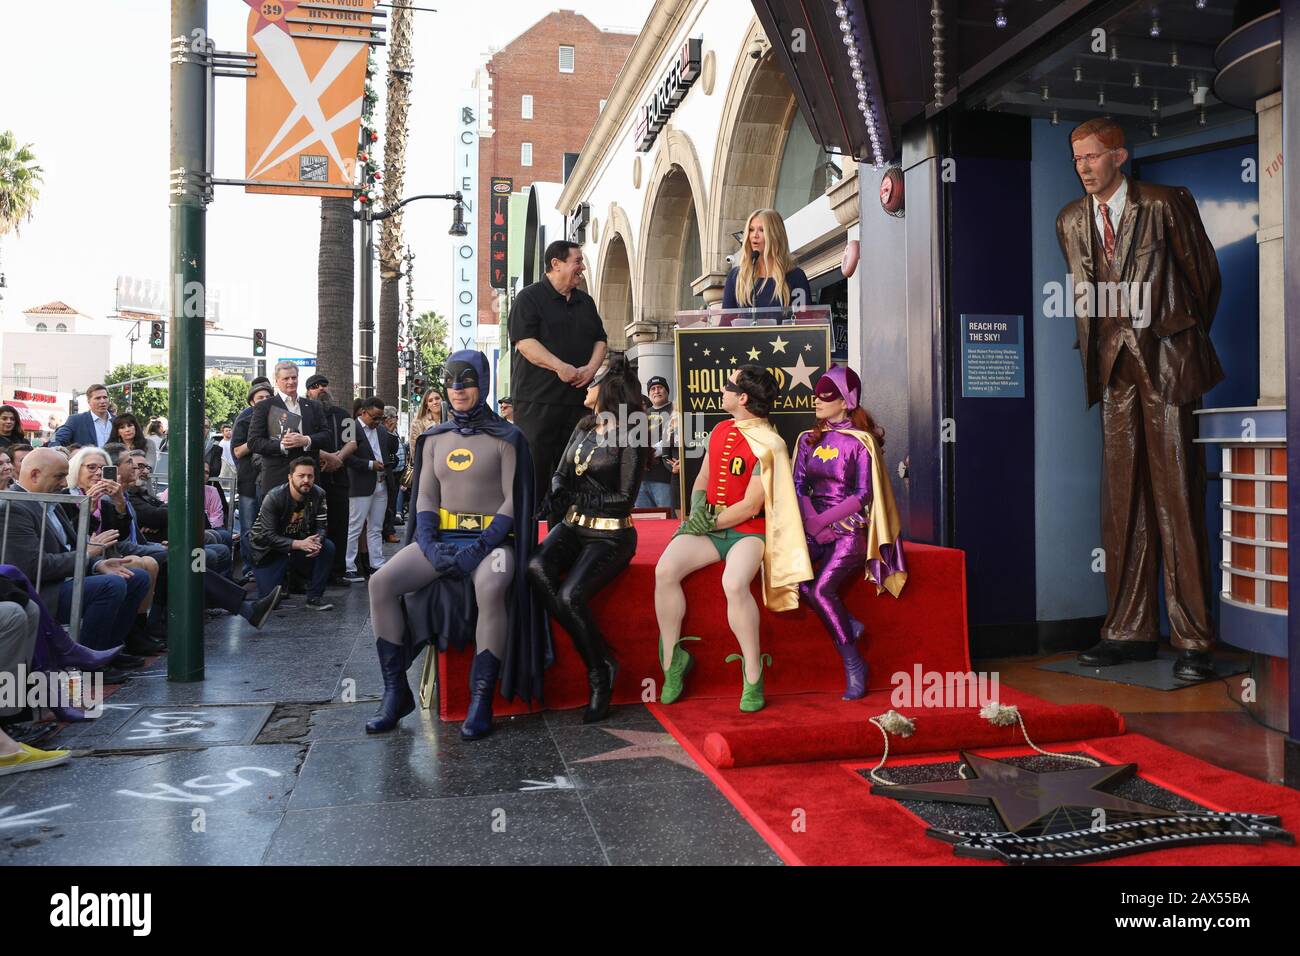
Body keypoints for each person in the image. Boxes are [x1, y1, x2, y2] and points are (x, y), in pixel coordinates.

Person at [1056, 117, 1223, 682]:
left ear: (1120, 157)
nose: (1084, 166)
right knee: (1122, 503)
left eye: (1094, 156)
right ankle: (1127, 631)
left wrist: (1175, 332)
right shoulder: (1070, 221)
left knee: (1177, 494)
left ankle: (1194, 638)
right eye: (1077, 158)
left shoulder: (1164, 202)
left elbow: (1204, 278)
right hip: (1112, 370)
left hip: (1167, 363)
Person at [364, 350, 548, 739]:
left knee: (491, 585)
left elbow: (514, 502)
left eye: (466, 380)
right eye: (450, 381)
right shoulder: (433, 439)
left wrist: (481, 548)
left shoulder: (508, 437)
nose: (458, 388)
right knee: (380, 583)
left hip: (495, 543)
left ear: (482, 382)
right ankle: (396, 692)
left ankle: (481, 699)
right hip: (443, 539)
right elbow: (426, 497)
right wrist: (429, 544)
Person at [653, 364, 812, 713]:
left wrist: (705, 523)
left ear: (742, 398)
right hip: (711, 525)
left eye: (728, 386)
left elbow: (750, 505)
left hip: (748, 532)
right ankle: (672, 660)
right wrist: (697, 510)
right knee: (664, 571)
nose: (721, 390)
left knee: (735, 583)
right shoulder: (721, 429)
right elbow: (702, 478)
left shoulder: (771, 444)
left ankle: (753, 673)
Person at [527, 355, 648, 723]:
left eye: (590, 381)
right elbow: (562, 471)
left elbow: (625, 499)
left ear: (607, 390)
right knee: (535, 567)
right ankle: (603, 658)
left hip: (610, 536)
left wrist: (579, 497)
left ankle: (599, 671)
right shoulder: (584, 425)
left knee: (570, 595)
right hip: (572, 526)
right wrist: (560, 489)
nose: (583, 386)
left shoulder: (632, 433)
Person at [793, 366, 907, 700]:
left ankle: (854, 663)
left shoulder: (862, 442)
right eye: (816, 393)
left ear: (846, 401)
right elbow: (798, 484)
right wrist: (813, 523)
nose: (817, 400)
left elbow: (863, 495)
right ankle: (847, 622)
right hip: (813, 526)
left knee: (822, 590)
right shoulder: (807, 439)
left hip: (850, 530)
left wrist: (825, 522)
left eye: (826, 395)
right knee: (781, 569)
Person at [6, 449, 152, 652]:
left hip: (67, 579)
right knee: (111, 585)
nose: (65, 483)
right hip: (43, 590)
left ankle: (112, 650)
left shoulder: (50, 500)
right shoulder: (14, 507)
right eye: (59, 476)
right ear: (35, 475)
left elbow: (72, 546)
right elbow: (33, 567)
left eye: (65, 476)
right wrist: (87, 555)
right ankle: (87, 656)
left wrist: (99, 563)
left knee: (137, 577)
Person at [508, 239, 609, 526]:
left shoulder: (585, 301)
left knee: (574, 475)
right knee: (535, 475)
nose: (582, 267)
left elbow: (600, 339)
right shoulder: (529, 298)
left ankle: (565, 541)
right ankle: (525, 544)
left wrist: (591, 368)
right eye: (577, 261)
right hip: (536, 404)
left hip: (577, 405)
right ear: (556, 263)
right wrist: (560, 367)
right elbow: (525, 343)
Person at [246, 456, 334, 611]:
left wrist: (317, 542)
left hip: (295, 544)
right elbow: (267, 536)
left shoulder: (319, 494)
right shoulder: (274, 497)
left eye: (310, 476)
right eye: (301, 476)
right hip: (266, 550)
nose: (306, 480)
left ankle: (314, 597)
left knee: (327, 547)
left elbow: (322, 527)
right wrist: (299, 544)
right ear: (290, 477)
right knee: (269, 603)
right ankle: (282, 582)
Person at [246, 361, 333, 497]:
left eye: (294, 377)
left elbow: (327, 436)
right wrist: (282, 445)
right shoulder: (264, 407)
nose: (291, 381)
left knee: (310, 517)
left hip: (308, 479)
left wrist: (306, 440)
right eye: (286, 378)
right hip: (277, 478)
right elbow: (254, 442)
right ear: (277, 381)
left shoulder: (314, 406)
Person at [304, 374, 354, 586]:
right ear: (308, 392)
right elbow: (304, 442)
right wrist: (327, 456)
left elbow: (352, 442)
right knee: (313, 527)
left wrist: (338, 458)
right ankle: (313, 575)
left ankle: (337, 572)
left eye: (324, 385)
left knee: (340, 525)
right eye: (315, 386)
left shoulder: (343, 414)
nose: (321, 389)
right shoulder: (304, 415)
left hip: (339, 479)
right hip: (313, 479)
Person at [343, 397, 397, 583]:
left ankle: (377, 563)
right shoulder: (349, 425)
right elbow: (346, 457)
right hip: (360, 483)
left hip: (380, 483)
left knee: (376, 527)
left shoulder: (381, 431)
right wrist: (369, 465)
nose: (377, 422)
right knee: (355, 527)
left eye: (380, 418)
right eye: (374, 417)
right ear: (363, 412)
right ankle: (349, 566)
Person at [722, 208, 812, 315]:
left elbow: (805, 322)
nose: (755, 235)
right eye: (751, 230)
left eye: (761, 230)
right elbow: (726, 323)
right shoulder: (737, 276)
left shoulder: (795, 276)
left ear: (775, 235)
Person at [232, 380, 273, 545]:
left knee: (270, 528)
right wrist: (257, 439)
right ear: (252, 401)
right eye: (260, 397)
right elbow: (237, 451)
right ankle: (249, 569)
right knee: (248, 528)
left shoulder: (280, 418)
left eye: (267, 397)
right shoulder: (244, 420)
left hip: (272, 480)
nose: (264, 400)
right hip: (249, 481)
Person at [635, 375, 678, 512]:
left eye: (660, 387)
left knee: (666, 520)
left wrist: (649, 452)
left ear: (667, 391)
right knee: (645, 522)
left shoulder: (675, 410)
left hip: (664, 478)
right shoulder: (643, 414)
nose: (656, 391)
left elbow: (674, 436)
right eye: (653, 389)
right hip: (641, 479)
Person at [382, 406, 402, 542]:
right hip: (388, 473)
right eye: (395, 417)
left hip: (397, 473)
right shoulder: (385, 431)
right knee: (389, 504)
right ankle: (388, 531)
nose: (396, 419)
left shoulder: (394, 431)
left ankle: (390, 529)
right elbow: (390, 448)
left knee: (392, 503)